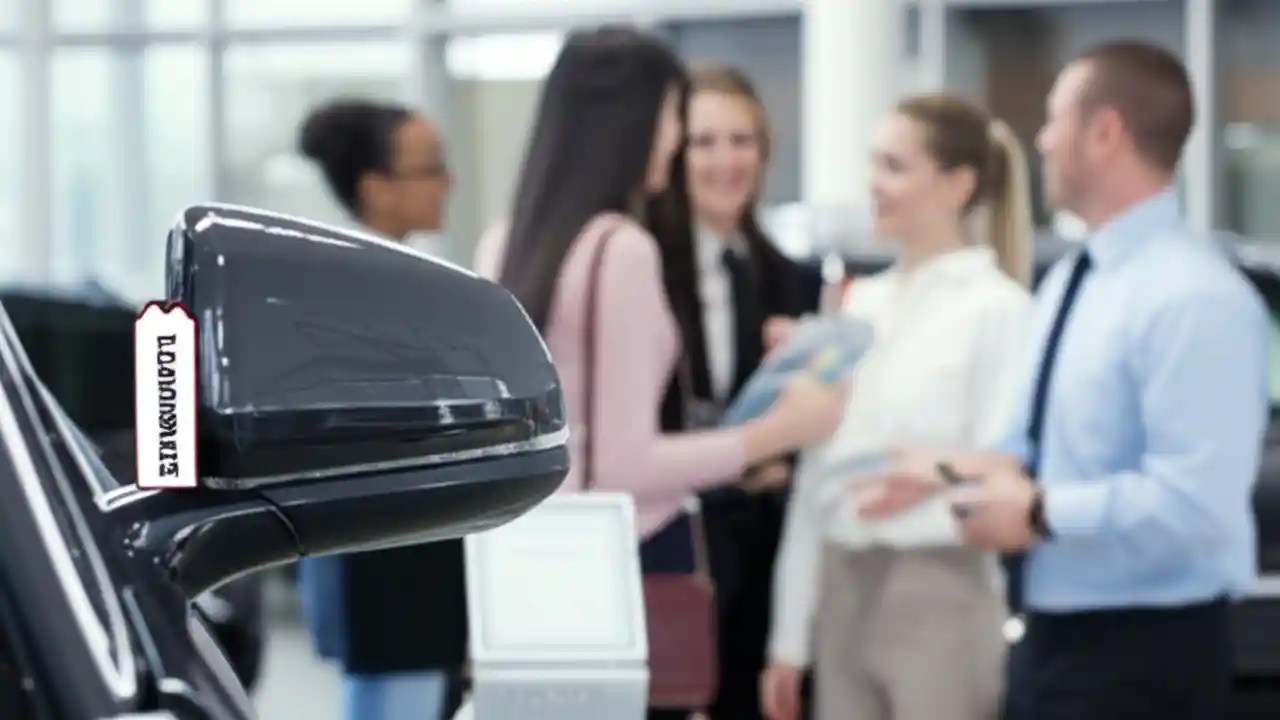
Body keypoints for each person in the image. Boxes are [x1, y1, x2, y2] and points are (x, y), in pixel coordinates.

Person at [866, 42, 1270, 720]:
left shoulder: (1195, 297)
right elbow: (1037, 443)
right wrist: (952, 471)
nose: (1042, 142)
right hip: (1054, 643)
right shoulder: (1072, 282)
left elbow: (1196, 504)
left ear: (1106, 132)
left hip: (1146, 653)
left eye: (1055, 120)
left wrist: (1037, 512)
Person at [472, 26, 847, 720]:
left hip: (531, 564)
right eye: (678, 119)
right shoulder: (622, 249)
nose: (675, 141)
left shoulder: (507, 239)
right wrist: (779, 431)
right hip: (627, 561)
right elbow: (623, 462)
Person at [759, 94, 1035, 720]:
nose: (873, 183)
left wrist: (928, 475)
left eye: (894, 165)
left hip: (939, 590)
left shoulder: (998, 310)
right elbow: (815, 482)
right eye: (873, 163)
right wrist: (788, 640)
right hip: (842, 589)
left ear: (958, 184)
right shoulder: (857, 309)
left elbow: (1007, 467)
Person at [646, 65, 810, 720]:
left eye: (742, 141)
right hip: (668, 554)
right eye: (705, 142)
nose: (726, 161)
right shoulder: (641, 269)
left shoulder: (791, 282)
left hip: (761, 569)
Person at [294, 99, 465, 720]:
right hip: (393, 579)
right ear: (376, 189)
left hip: (397, 575)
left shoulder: (393, 279)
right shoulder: (363, 292)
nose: (448, 181)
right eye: (431, 167)